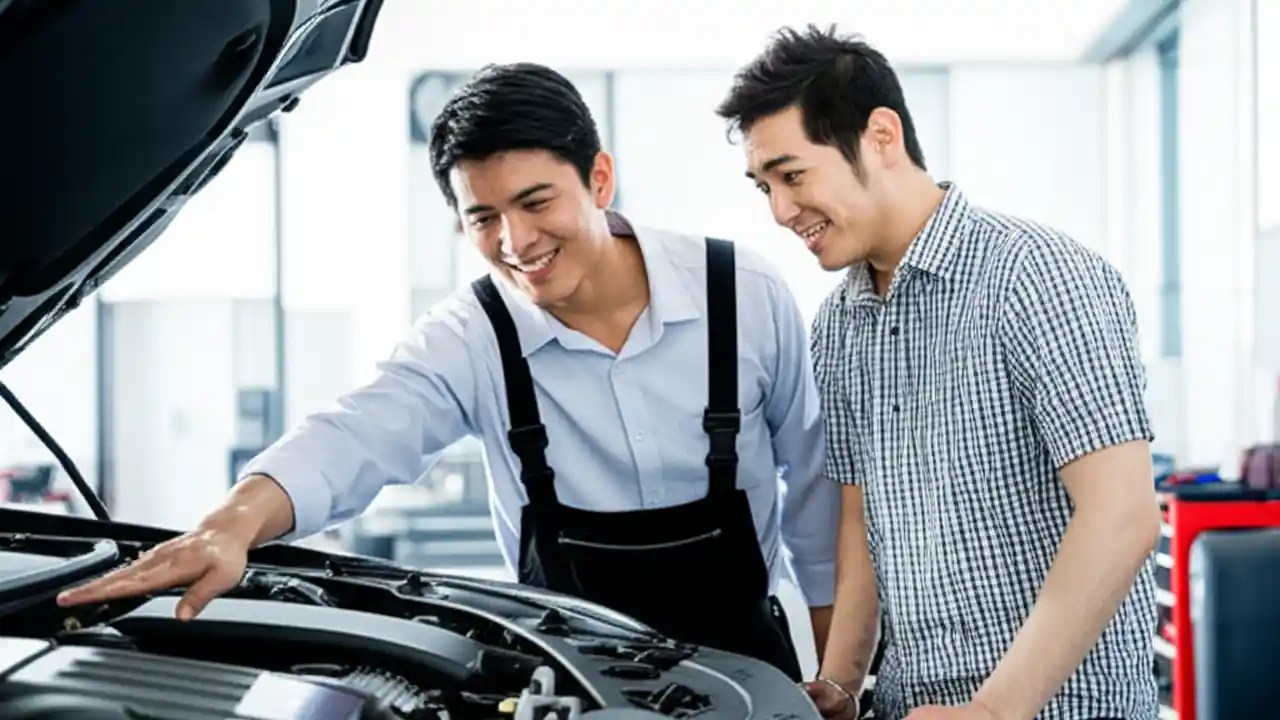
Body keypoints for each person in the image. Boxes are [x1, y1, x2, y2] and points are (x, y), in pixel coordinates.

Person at [56, 61, 841, 681]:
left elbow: (814, 496)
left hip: (749, 674)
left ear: (599, 179)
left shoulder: (742, 292)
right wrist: (229, 527)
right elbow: (355, 433)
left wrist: (835, 681)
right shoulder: (472, 336)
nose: (515, 240)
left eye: (537, 202)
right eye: (483, 217)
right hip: (572, 682)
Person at [714, 25, 1162, 720]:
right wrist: (841, 682)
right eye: (763, 185)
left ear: (881, 137)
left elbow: (1124, 516)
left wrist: (991, 711)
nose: (779, 210)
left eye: (793, 174)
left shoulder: (1040, 277)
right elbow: (862, 520)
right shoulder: (838, 324)